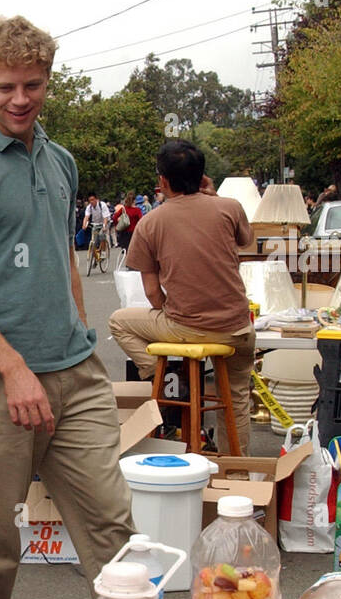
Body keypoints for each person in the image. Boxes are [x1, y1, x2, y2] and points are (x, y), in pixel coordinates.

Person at [0, 15, 135, 599]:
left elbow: (60, 256)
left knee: (111, 524)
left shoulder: (60, 160)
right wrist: (14, 367)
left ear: (48, 82)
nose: (21, 99)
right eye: (6, 87)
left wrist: (79, 331)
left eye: (34, 85)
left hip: (75, 374)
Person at [108, 139, 255, 453]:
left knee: (118, 321)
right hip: (239, 328)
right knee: (238, 395)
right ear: (203, 176)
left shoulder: (150, 223)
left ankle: (162, 374)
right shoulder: (229, 207)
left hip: (187, 327)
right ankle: (236, 467)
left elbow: (151, 291)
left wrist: (168, 315)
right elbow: (247, 240)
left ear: (162, 181)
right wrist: (212, 196)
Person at [81, 191, 110, 271]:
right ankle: (95, 258)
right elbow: (86, 217)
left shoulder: (102, 205)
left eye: (93, 200)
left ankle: (103, 252)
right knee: (93, 241)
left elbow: (105, 217)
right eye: (90, 200)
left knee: (101, 235)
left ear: (97, 199)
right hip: (95, 224)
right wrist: (84, 225)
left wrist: (104, 226)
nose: (92, 202)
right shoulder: (89, 207)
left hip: (104, 222)